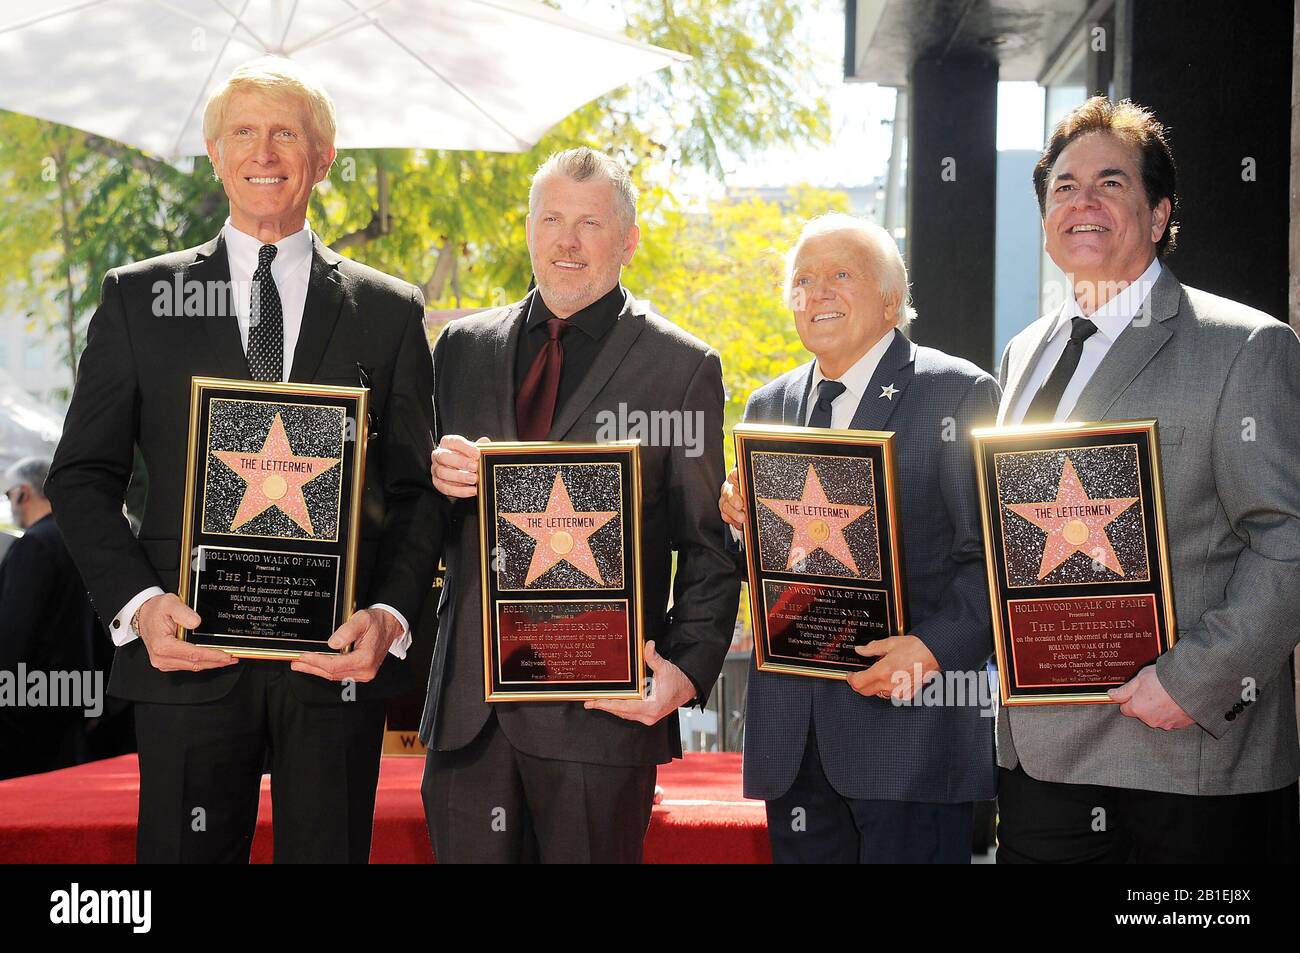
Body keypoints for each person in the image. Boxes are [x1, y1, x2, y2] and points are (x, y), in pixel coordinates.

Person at [45, 58, 444, 863]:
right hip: (185, 655)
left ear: (323, 158)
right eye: (244, 132)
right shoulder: (138, 298)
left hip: (334, 659)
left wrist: (391, 616)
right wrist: (140, 605)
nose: (265, 151)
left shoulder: (391, 311)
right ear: (215, 152)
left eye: (286, 133)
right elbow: (82, 477)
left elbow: (419, 490)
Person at [994, 96, 1300, 863]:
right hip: (1040, 761)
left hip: (1180, 758)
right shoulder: (1024, 351)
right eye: (1064, 187)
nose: (1083, 202)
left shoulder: (1245, 346)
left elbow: (1287, 538)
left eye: (1111, 183)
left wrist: (1195, 682)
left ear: (1159, 215)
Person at [421, 147, 740, 863]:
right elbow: (421, 527)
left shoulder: (681, 367)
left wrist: (685, 670)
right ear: (528, 228)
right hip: (471, 717)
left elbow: (711, 544)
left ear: (628, 238)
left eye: (589, 223)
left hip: (603, 719)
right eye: (551, 218)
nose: (566, 241)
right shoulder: (462, 348)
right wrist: (436, 484)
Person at [717, 214, 999, 863]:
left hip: (911, 740)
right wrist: (737, 523)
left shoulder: (958, 392)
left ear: (891, 298)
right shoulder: (767, 407)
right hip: (793, 745)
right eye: (803, 279)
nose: (817, 293)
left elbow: (995, 556)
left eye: (841, 275)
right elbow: (761, 574)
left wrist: (932, 649)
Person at [0, 458, 101, 779]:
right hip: (78, 694)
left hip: (29, 699)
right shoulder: (83, 541)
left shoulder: (35, 545)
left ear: (22, 493)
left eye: (8, 495)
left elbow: (14, 630)